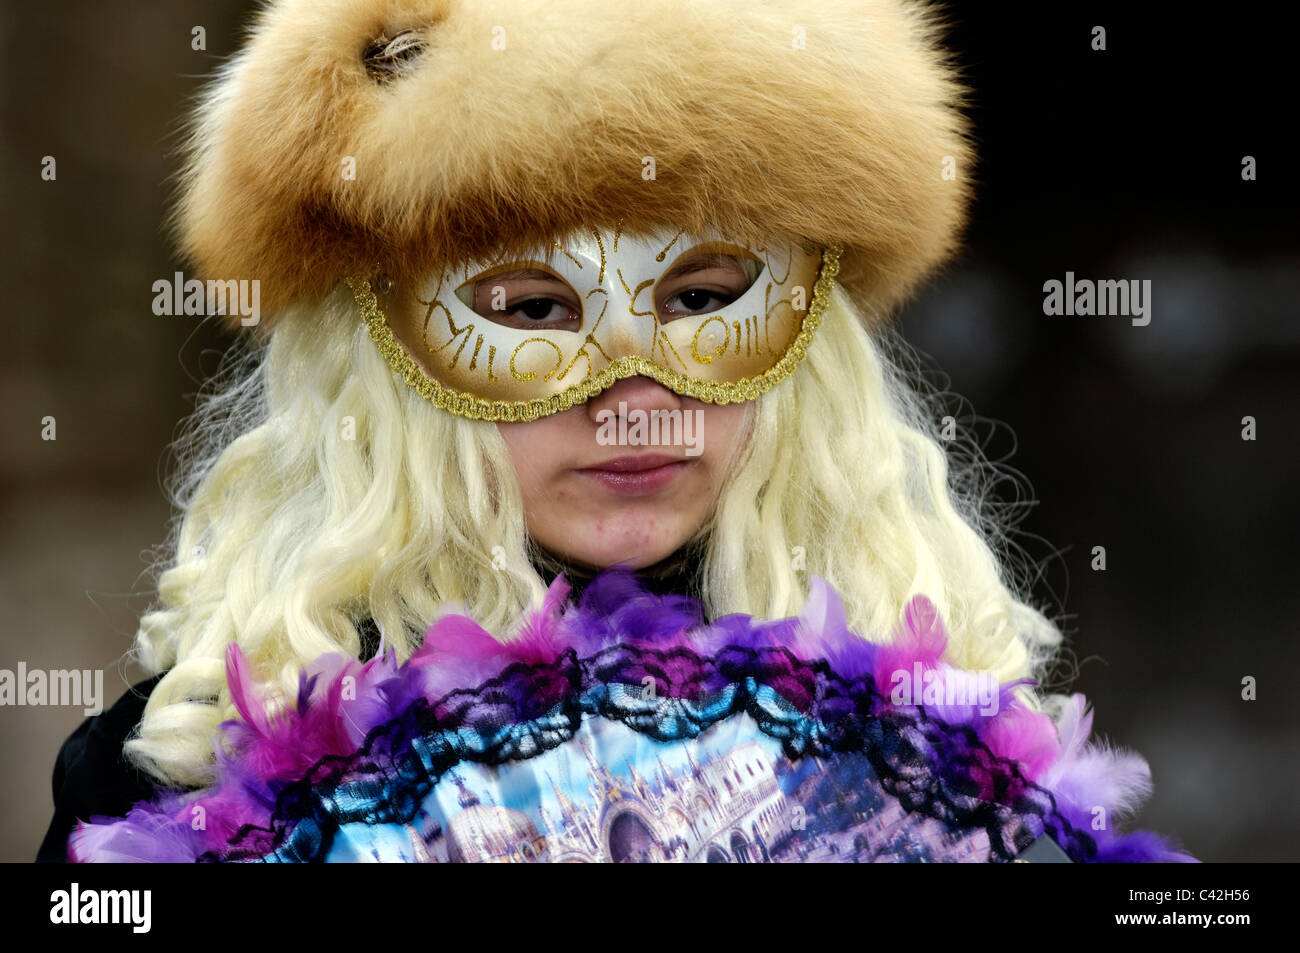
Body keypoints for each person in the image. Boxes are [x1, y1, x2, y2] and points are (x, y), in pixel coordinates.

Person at [42, 0, 1194, 863]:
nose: (633, 396)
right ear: (376, 363)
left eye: (702, 299)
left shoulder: (944, 742)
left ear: (812, 351)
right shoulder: (173, 775)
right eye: (532, 310)